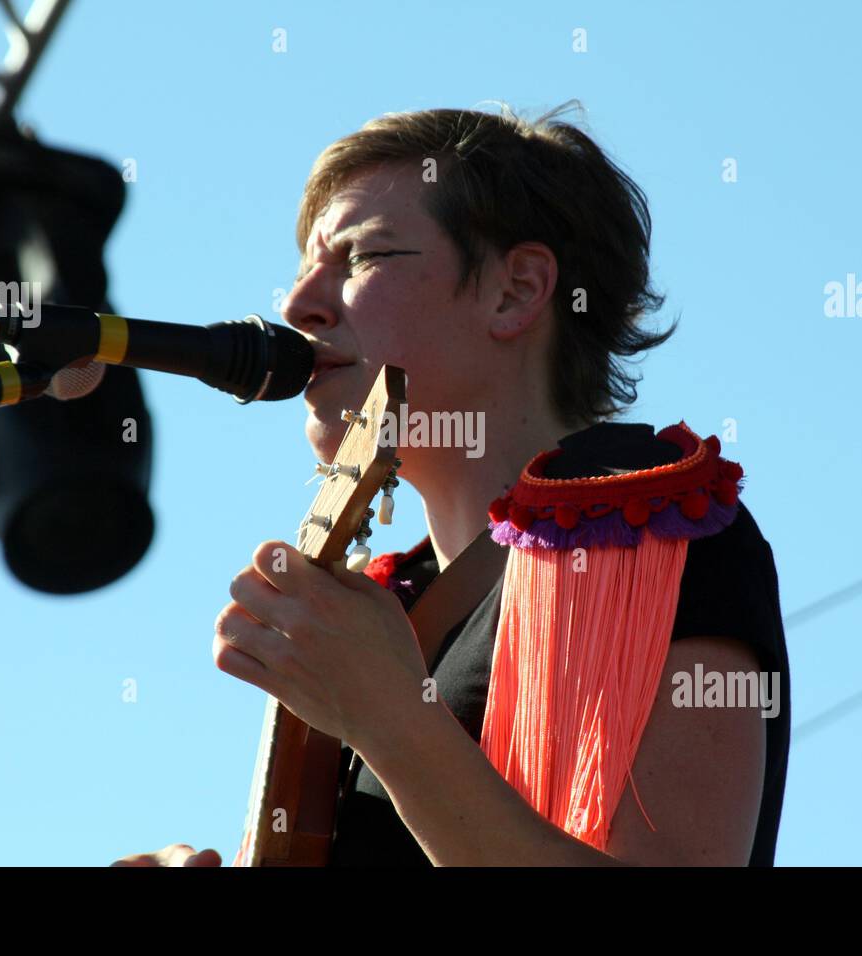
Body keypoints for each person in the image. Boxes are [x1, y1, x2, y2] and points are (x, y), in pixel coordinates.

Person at [112, 102, 790, 868]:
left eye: (360, 257)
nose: (298, 304)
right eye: (305, 266)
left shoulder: (661, 521)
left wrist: (390, 719)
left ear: (517, 289)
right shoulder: (380, 613)